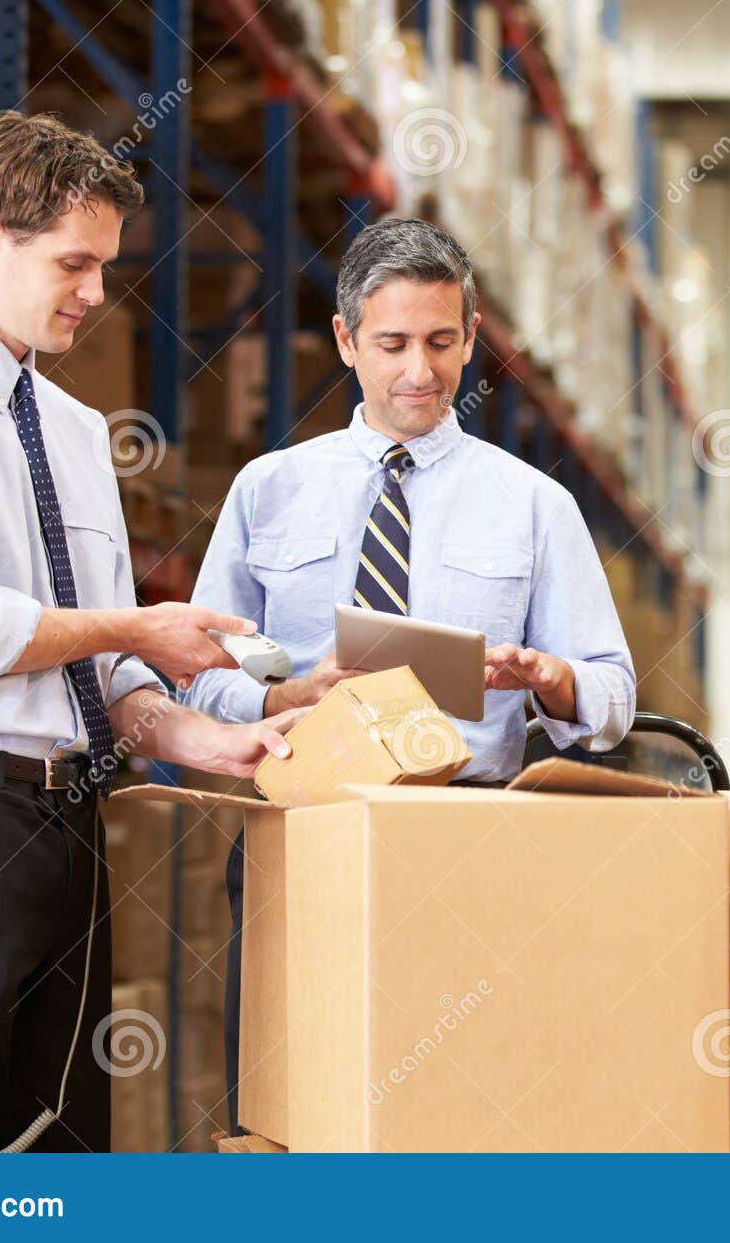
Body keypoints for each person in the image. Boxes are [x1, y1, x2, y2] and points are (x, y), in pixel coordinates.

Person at [0, 111, 307, 1153]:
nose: (94, 292)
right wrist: (136, 624)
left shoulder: (80, 436)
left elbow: (105, 664)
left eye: (104, 266)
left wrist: (201, 738)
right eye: (73, 264)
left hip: (64, 821)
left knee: (59, 1141)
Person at [182, 216, 637, 1132]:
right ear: (347, 341)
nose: (419, 371)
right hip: (300, 832)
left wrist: (551, 677)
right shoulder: (269, 490)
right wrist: (283, 691)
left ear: (472, 337)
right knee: (289, 1107)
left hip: (470, 839)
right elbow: (206, 675)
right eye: (391, 344)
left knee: (462, 1112)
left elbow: (614, 695)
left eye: (441, 341)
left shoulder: (533, 506)